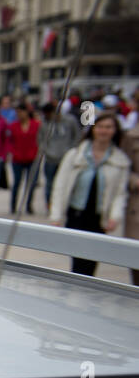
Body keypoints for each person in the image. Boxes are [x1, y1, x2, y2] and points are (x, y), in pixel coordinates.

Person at [49, 111, 131, 276]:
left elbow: (120, 193)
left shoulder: (120, 160)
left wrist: (115, 216)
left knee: (91, 261)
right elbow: (60, 185)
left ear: (115, 130)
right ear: (93, 129)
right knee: (78, 259)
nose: (104, 131)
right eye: (100, 126)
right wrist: (56, 215)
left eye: (108, 127)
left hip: (99, 217)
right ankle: (78, 285)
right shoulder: (75, 155)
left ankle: (81, 285)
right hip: (77, 214)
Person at [37, 102, 76, 214]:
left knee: (65, 183)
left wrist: (72, 151)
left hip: (66, 158)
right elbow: (40, 139)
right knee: (49, 184)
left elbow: (76, 136)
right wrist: (46, 151)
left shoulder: (70, 121)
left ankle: (64, 206)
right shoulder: (45, 124)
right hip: (50, 159)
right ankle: (50, 206)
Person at [118, 115, 139, 286]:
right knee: (136, 256)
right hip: (137, 204)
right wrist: (135, 181)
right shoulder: (132, 136)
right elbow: (122, 166)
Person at [8, 103, 40, 213]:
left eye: (21, 112)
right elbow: (10, 141)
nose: (19, 114)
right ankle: (13, 205)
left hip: (32, 158)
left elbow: (40, 139)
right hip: (17, 159)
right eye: (17, 113)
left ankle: (29, 205)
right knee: (17, 183)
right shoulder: (13, 126)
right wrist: (12, 152)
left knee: (31, 183)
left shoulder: (36, 124)